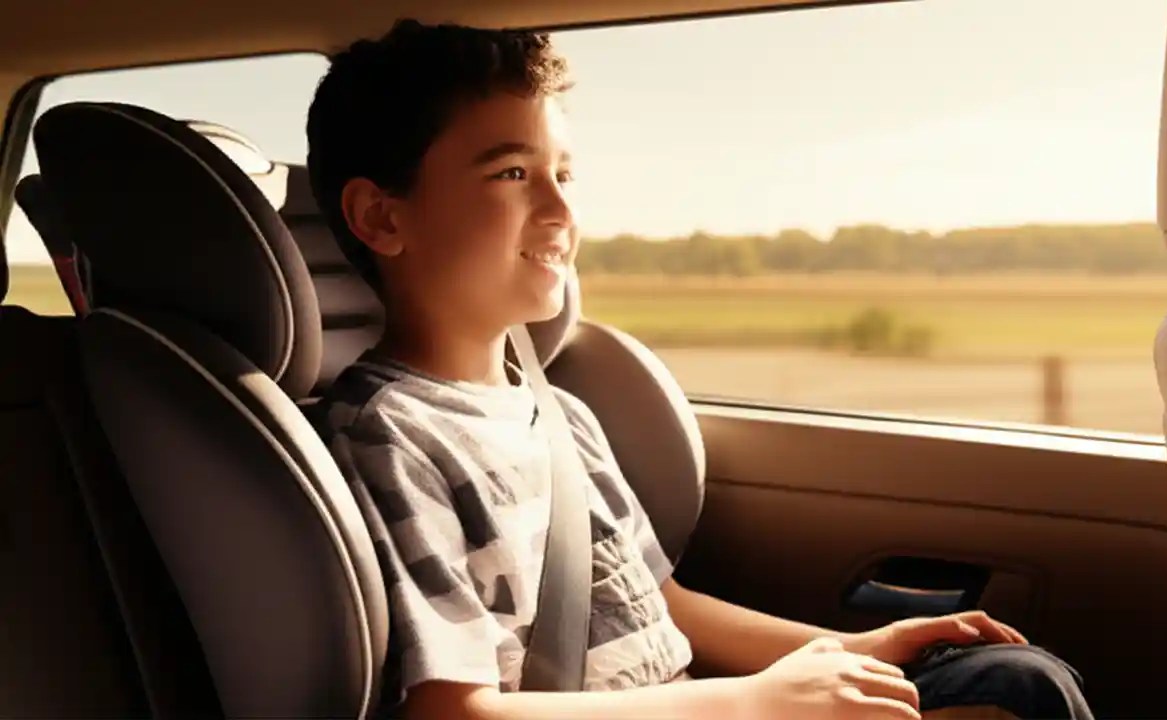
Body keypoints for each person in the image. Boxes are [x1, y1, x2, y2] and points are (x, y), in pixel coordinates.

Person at [306, 20, 1094, 720]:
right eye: (513, 174)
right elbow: (453, 711)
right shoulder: (387, 438)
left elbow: (663, 606)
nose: (561, 210)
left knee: (1018, 681)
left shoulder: (558, 414)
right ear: (382, 216)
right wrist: (753, 704)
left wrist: (856, 648)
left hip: (697, 700)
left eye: (566, 175)